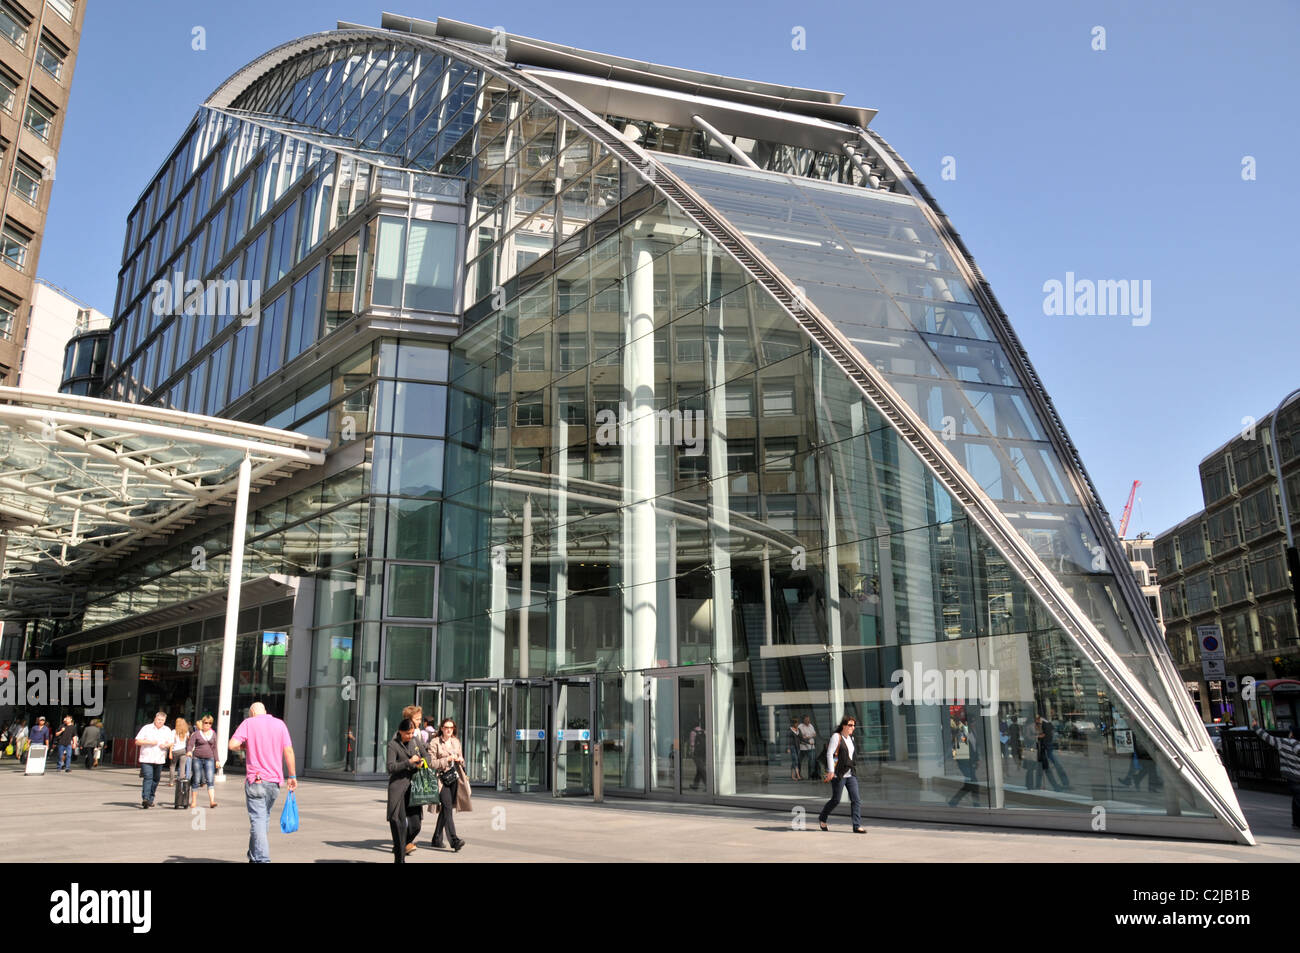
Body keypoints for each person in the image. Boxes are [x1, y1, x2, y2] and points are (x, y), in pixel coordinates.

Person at [228, 701, 297, 863]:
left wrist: (246, 746)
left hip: (256, 780)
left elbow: (232, 745)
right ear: (265, 711)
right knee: (262, 819)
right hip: (274, 782)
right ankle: (254, 856)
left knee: (258, 821)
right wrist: (292, 776)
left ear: (251, 713)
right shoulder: (280, 724)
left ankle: (262, 859)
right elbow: (288, 751)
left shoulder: (248, 723)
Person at [386, 718, 429, 863]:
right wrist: (409, 762)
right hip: (398, 789)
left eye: (411, 733)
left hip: (415, 788)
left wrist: (422, 762)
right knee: (399, 825)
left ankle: (401, 845)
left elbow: (427, 757)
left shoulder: (416, 741)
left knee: (416, 825)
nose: (410, 736)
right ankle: (400, 859)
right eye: (407, 733)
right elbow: (390, 767)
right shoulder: (393, 745)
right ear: (400, 731)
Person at [818, 715, 866, 834]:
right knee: (836, 800)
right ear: (844, 725)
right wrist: (831, 771)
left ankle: (857, 825)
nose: (852, 727)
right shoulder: (836, 737)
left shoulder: (851, 739)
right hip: (838, 774)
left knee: (856, 799)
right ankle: (822, 818)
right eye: (850, 725)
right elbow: (830, 754)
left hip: (850, 773)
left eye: (854, 725)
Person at [428, 716, 468, 851]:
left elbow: (462, 760)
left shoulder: (456, 742)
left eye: (451, 727)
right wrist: (447, 759)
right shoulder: (435, 742)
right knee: (447, 807)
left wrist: (460, 759)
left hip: (455, 778)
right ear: (441, 728)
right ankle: (454, 840)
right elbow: (431, 763)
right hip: (441, 779)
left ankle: (436, 839)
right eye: (446, 727)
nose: (449, 730)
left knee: (447, 809)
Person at [1252, 721, 1300, 828]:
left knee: (1297, 799)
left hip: (1292, 778)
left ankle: (1297, 822)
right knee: (1297, 799)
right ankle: (1297, 822)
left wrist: (1256, 727)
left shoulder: (1283, 742)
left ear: (1292, 734)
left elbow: (1267, 737)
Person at [135, 711, 172, 808]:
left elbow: (171, 743)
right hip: (146, 758)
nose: (160, 722)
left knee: (156, 779)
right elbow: (137, 741)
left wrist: (166, 745)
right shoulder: (146, 728)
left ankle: (151, 798)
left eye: (162, 720)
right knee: (148, 777)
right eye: (159, 719)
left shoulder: (167, 730)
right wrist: (149, 742)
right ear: (155, 719)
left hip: (159, 759)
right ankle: (145, 798)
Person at [187, 714, 219, 809]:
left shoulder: (213, 734)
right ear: (202, 723)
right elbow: (190, 744)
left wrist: (217, 760)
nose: (208, 725)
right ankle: (193, 802)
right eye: (206, 723)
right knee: (196, 779)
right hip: (197, 758)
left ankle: (212, 801)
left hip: (210, 758)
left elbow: (215, 748)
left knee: (210, 779)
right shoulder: (196, 734)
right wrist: (189, 751)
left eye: (210, 723)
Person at [1035, 714, 1069, 791]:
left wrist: (1037, 736)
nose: (1036, 723)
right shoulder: (1046, 722)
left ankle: (1058, 785)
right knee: (1047, 766)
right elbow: (1050, 732)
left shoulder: (1044, 724)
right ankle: (1059, 784)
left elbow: (1044, 734)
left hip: (1046, 745)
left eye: (1036, 721)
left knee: (1049, 766)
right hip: (1046, 745)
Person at [168, 718, 190, 787]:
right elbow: (188, 741)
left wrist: (170, 752)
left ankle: (171, 782)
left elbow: (171, 743)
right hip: (183, 750)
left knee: (172, 766)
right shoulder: (186, 732)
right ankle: (181, 782)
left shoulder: (173, 731)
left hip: (175, 750)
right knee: (182, 766)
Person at [798, 715, 818, 781]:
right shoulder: (800, 726)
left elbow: (814, 734)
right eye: (806, 720)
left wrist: (808, 736)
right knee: (799, 761)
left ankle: (810, 776)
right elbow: (802, 736)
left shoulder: (811, 725)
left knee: (811, 762)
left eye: (808, 720)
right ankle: (798, 774)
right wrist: (810, 736)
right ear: (803, 720)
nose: (808, 721)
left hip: (811, 747)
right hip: (803, 747)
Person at [786, 716, 802, 781]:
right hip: (792, 747)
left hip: (797, 747)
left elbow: (801, 738)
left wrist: (808, 742)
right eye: (795, 722)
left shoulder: (798, 730)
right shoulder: (790, 730)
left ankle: (792, 775)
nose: (797, 724)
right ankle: (797, 775)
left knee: (794, 761)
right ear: (793, 723)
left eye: (797, 722)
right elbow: (788, 740)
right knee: (795, 760)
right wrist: (788, 748)